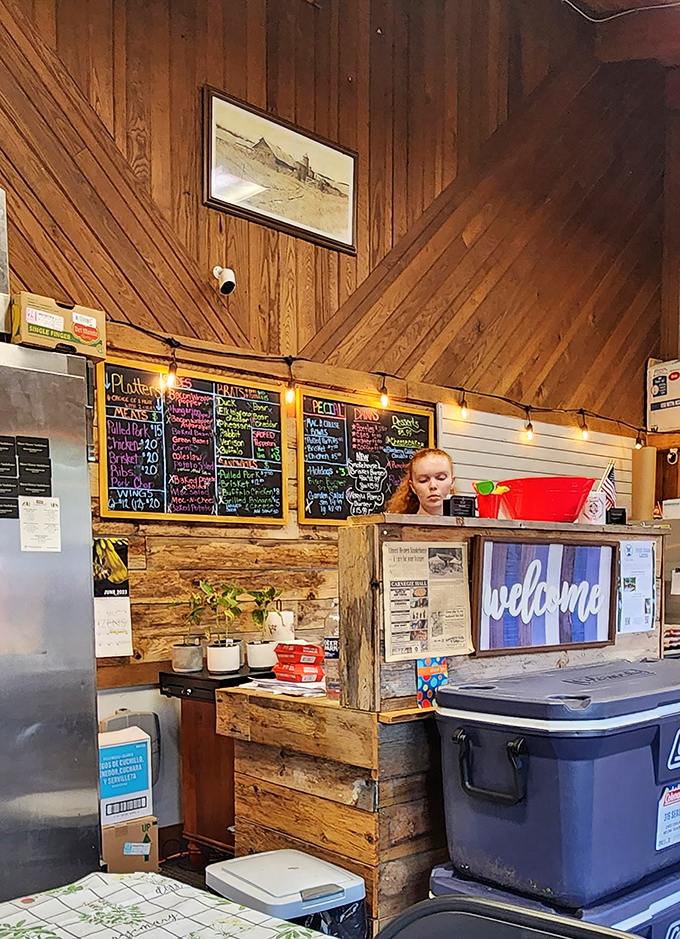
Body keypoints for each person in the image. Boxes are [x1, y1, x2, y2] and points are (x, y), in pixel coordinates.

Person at [387, 448, 455, 516]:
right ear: (413, 486)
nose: (433, 486)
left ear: (452, 482)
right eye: (423, 480)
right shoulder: (399, 525)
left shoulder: (464, 524)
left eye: (441, 478)